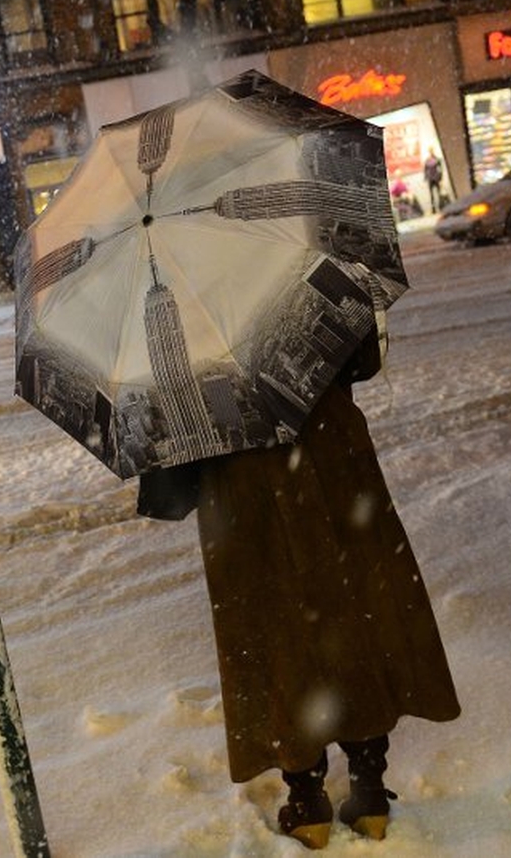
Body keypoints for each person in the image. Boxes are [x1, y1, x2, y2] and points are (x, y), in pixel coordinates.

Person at [136, 330, 459, 849]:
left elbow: (164, 422)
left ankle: (307, 800)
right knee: (355, 605)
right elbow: (360, 358)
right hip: (330, 449)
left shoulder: (171, 304)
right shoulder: (292, 278)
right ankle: (368, 789)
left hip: (238, 470)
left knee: (274, 627)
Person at [423, 148, 445, 213]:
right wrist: (426, 178)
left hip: (436, 178)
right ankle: (433, 208)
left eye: (431, 151)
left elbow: (440, 169)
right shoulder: (427, 160)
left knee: (439, 193)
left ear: (433, 151)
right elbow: (425, 170)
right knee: (431, 195)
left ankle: (441, 206)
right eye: (430, 151)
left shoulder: (437, 159)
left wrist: (441, 179)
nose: (431, 152)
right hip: (430, 179)